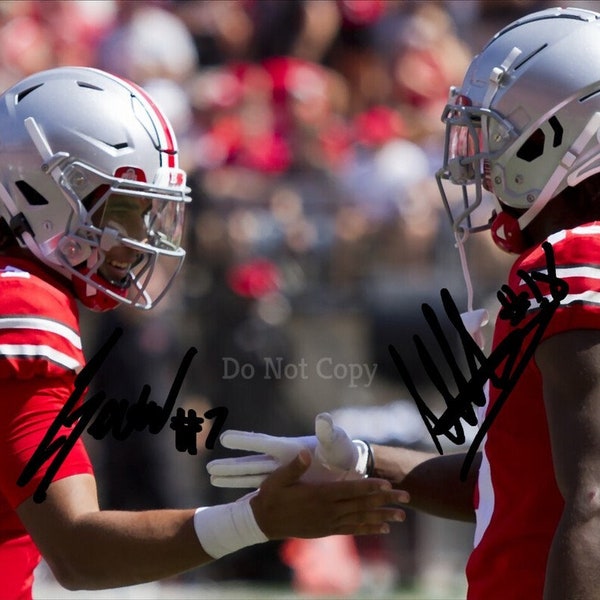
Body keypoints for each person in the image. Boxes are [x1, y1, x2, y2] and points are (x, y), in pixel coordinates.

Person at [207, 6, 600, 599]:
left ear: (565, 138)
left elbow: (594, 499)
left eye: (498, 136)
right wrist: (362, 460)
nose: (479, 165)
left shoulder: (574, 257)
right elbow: (511, 486)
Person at [0, 66, 410, 600]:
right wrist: (255, 520)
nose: (141, 239)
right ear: (40, 191)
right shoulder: (22, 303)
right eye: (124, 210)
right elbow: (78, 551)